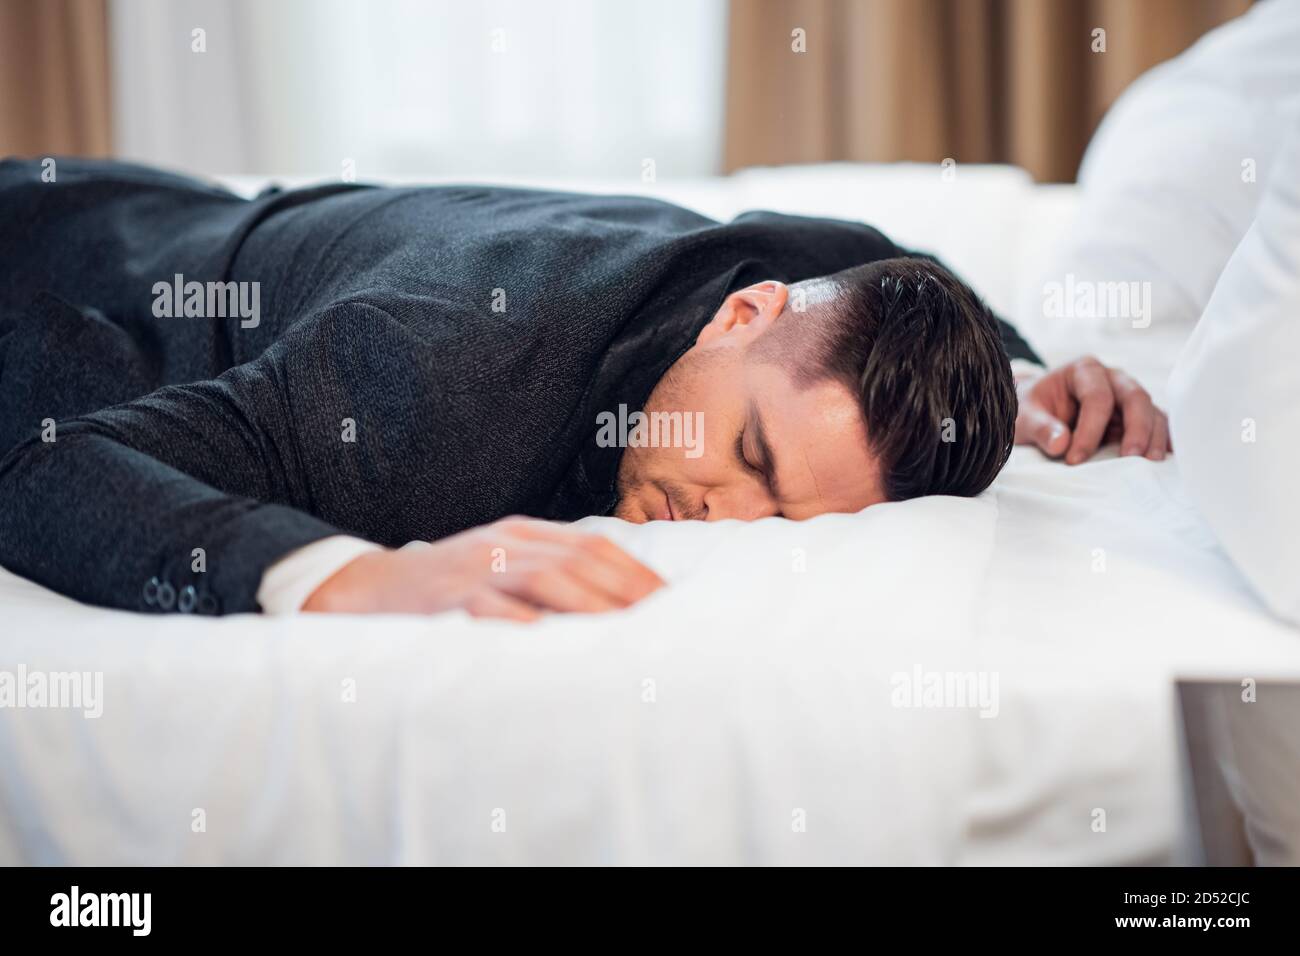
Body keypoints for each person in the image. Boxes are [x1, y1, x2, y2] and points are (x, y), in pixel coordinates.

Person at [0, 158, 1167, 620]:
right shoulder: (419, 383)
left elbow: (914, 279)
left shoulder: (809, 278)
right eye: (751, 458)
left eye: (785, 513)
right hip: (68, 269)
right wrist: (362, 571)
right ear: (741, 312)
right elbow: (45, 467)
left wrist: (1020, 376)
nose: (727, 514)